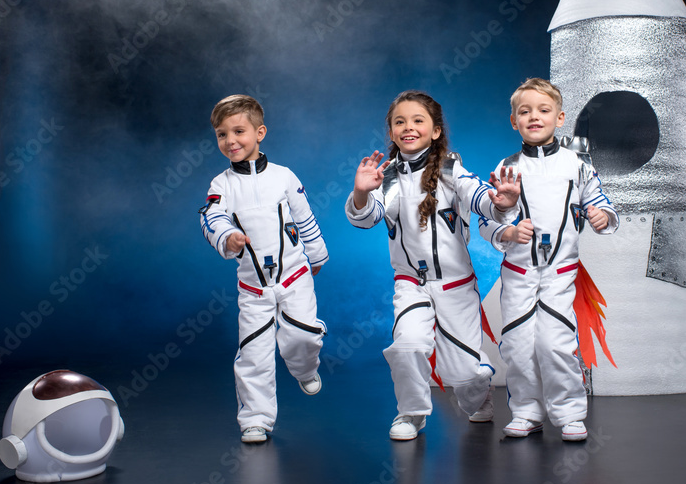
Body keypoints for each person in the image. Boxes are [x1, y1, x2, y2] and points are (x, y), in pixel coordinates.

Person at [345, 90, 520, 441]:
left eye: (417, 120)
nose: (408, 127)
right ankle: (411, 412)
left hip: (455, 285)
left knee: (465, 374)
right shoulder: (386, 177)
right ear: (391, 132)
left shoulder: (451, 170)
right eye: (400, 122)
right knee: (407, 345)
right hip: (411, 283)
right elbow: (366, 218)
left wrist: (502, 202)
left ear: (436, 131)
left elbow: (479, 197)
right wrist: (362, 192)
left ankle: (478, 395)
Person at [478, 78, 618, 442]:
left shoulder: (577, 165)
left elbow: (600, 202)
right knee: (518, 344)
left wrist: (602, 217)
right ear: (514, 121)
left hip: (559, 271)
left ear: (560, 118)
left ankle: (570, 413)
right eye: (525, 112)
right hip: (519, 271)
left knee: (555, 342)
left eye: (543, 110)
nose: (534, 117)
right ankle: (527, 412)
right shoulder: (507, 167)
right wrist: (508, 230)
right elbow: (488, 219)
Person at [198, 94, 327, 444]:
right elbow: (211, 217)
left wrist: (317, 256)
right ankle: (255, 418)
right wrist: (227, 237)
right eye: (222, 134)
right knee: (253, 353)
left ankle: (304, 368)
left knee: (303, 336)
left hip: (294, 277)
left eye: (238, 131)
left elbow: (304, 216)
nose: (230, 140)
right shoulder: (221, 185)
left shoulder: (284, 177)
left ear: (260, 132)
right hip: (254, 288)